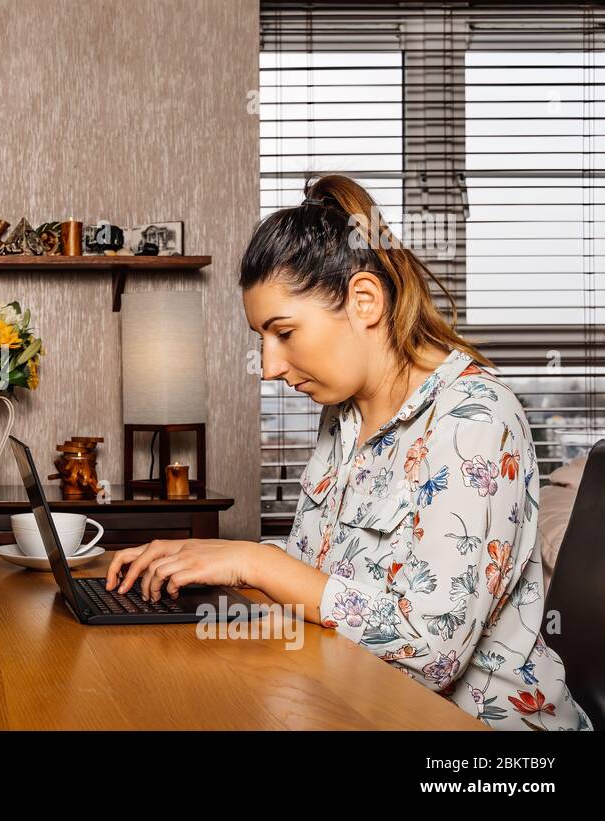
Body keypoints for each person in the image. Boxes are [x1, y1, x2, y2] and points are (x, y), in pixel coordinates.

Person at [106, 175, 591, 730]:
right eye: (261, 340)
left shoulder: (476, 416)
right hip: (353, 701)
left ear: (364, 300)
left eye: (284, 333)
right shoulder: (344, 414)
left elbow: (434, 652)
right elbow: (320, 573)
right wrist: (210, 561)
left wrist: (254, 562)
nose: (268, 367)